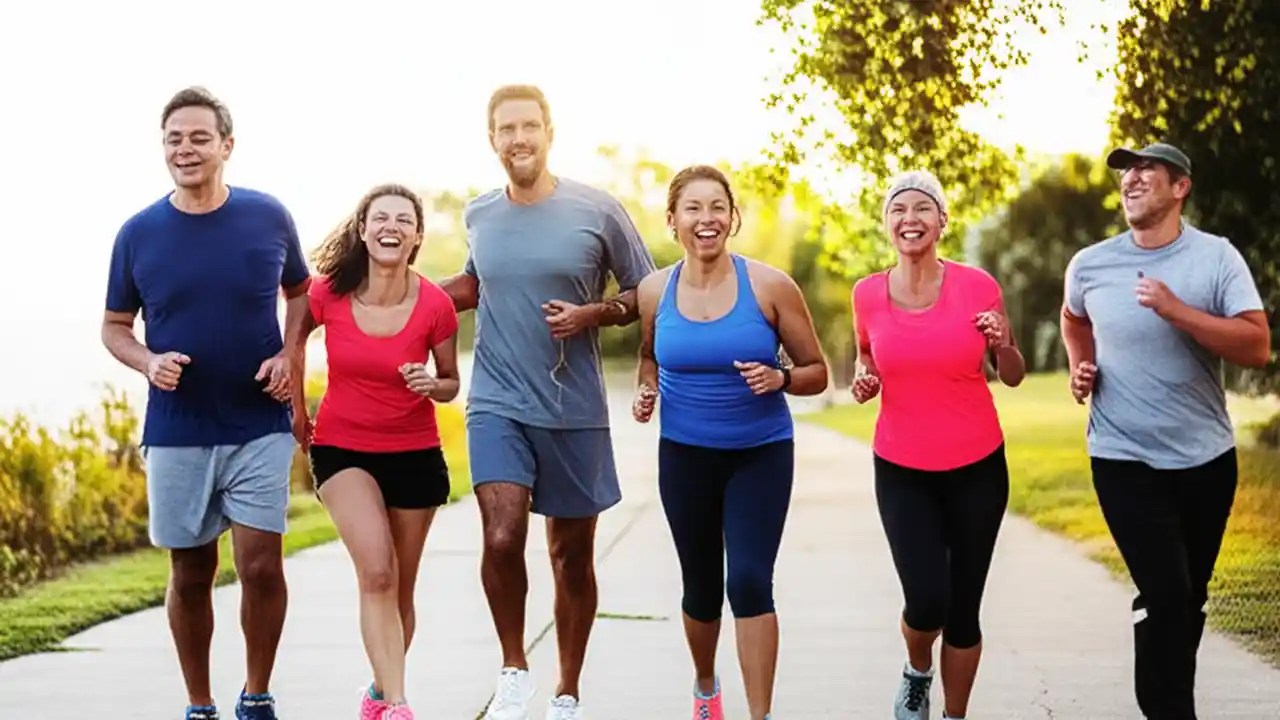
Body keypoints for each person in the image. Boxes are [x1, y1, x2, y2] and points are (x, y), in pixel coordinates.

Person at [437, 84, 657, 720]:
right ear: (492, 140)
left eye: (529, 126)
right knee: (502, 535)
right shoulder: (480, 214)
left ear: (549, 131)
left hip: (573, 406)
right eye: (506, 129)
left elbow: (643, 292)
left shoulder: (598, 209)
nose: (518, 138)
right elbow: (475, 285)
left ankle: (567, 690)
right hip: (497, 400)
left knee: (570, 556)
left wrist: (593, 311)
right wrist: (392, 295)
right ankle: (514, 670)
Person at [101, 86, 308, 720]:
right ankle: (200, 704)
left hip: (259, 423)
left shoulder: (267, 216)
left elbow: (302, 296)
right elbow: (114, 327)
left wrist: (289, 359)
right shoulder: (138, 233)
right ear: (163, 149)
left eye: (198, 137)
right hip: (177, 430)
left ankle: (257, 694)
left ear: (226, 145)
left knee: (260, 564)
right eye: (174, 139)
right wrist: (148, 361)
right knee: (191, 573)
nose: (185, 149)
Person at [1060, 142, 1270, 720]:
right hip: (1122, 455)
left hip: (1206, 459)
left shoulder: (1216, 259)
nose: (1131, 177)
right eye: (1126, 171)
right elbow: (1073, 316)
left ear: (1181, 187)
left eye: (1146, 168)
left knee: (1185, 601)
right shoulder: (1091, 263)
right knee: (1169, 595)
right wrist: (1084, 362)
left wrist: (1178, 311)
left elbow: (1256, 346)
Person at [631, 165, 828, 720]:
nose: (706, 219)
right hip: (685, 456)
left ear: (732, 217)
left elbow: (817, 371)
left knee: (747, 580)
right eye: (692, 208)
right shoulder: (654, 291)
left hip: (760, 453)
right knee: (700, 587)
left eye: (717, 207)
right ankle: (704, 687)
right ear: (672, 221)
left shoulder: (770, 287)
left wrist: (782, 378)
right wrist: (647, 392)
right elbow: (650, 356)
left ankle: (759, 715)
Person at [850, 170, 1025, 720]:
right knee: (927, 602)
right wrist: (865, 378)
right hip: (902, 467)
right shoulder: (867, 295)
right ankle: (917, 670)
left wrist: (1002, 341)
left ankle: (954, 716)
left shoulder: (979, 287)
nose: (911, 219)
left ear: (942, 221)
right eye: (899, 210)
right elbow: (867, 354)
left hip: (977, 465)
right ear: (887, 224)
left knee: (964, 609)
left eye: (923, 208)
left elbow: (1013, 372)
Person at [289, 184, 461, 720]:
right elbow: (291, 344)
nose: (391, 226)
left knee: (401, 590)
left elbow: (452, 381)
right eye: (380, 218)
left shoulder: (434, 304)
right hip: (343, 449)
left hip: (414, 452)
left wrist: (431, 385)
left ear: (416, 237)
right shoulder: (326, 294)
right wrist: (297, 412)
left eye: (403, 220)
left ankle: (379, 694)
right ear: (362, 230)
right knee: (378, 575)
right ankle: (399, 706)